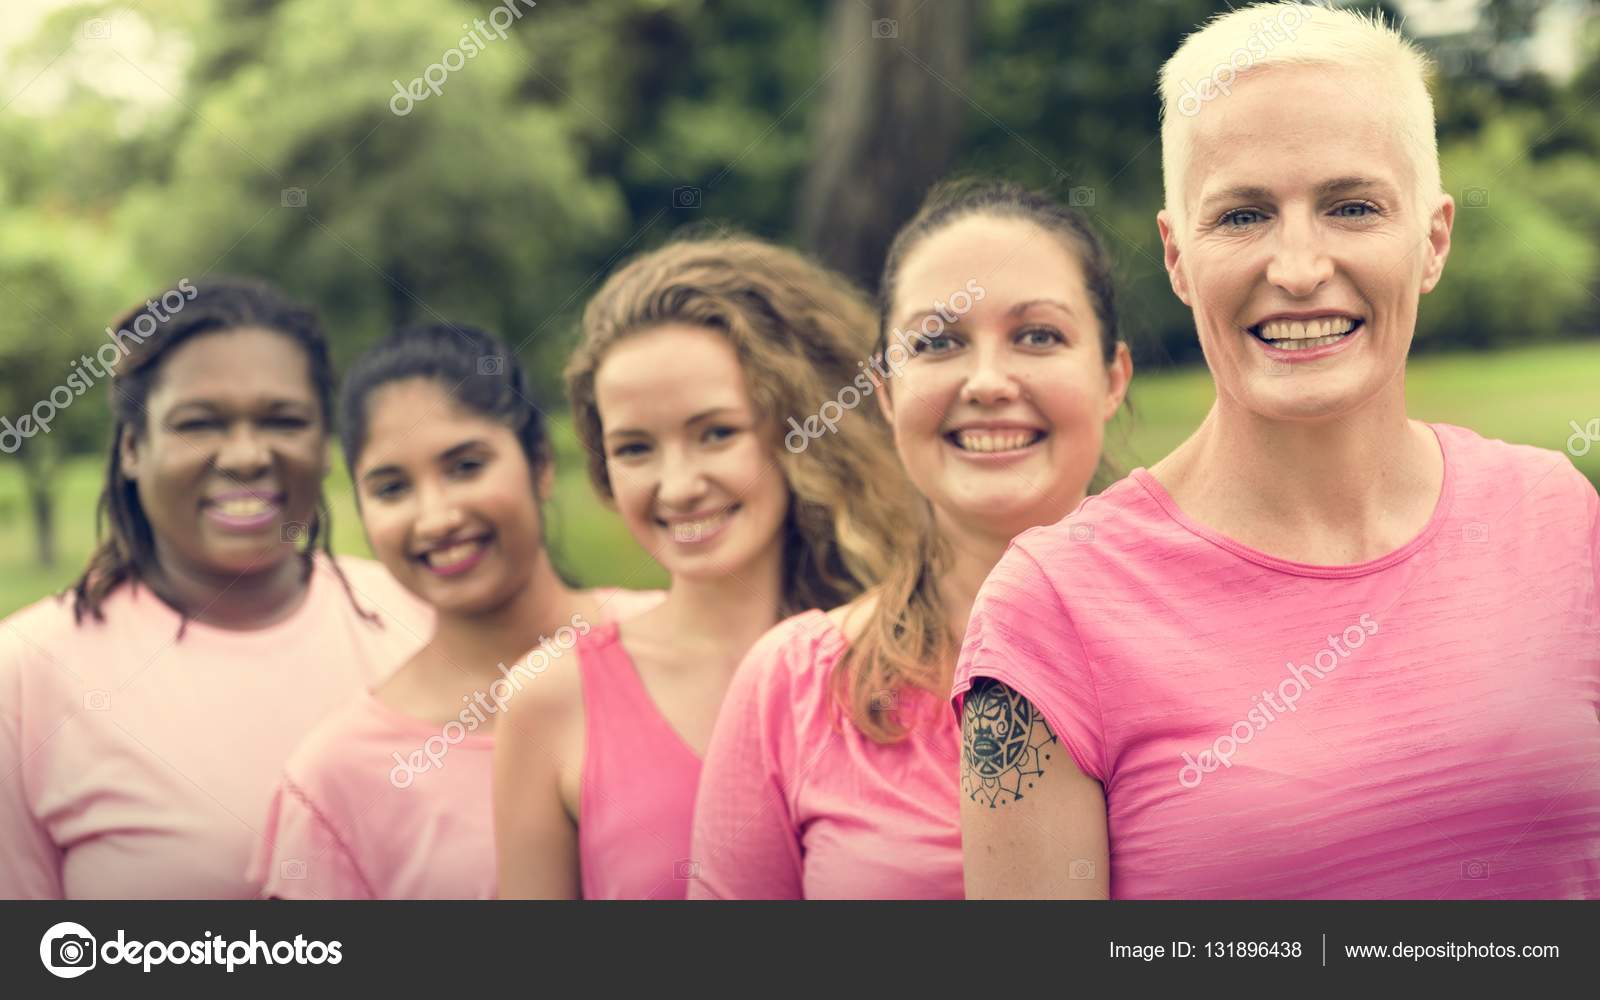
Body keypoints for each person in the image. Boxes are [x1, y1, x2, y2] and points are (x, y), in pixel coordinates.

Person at [957, 2, 1600, 899]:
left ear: (1434, 239)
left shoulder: (1560, 517)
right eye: (1244, 215)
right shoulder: (1051, 610)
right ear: (1178, 258)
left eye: (1352, 207)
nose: (1298, 268)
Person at [688, 180, 1132, 899]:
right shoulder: (795, 686)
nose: (988, 381)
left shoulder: (1214, 645)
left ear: (1112, 377)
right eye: (938, 341)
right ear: (888, 393)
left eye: (1038, 335)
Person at [494, 235, 911, 898]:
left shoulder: (910, 655)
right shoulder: (548, 702)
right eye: (635, 448)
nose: (679, 484)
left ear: (798, 430)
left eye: (716, 432)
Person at [0, 278, 431, 899]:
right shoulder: (26, 673)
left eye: (284, 420)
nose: (248, 456)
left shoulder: (426, 622)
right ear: (131, 449)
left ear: (325, 444)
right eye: (199, 423)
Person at [248, 323, 662, 899]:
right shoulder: (339, 779)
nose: (437, 517)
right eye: (392, 488)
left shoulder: (678, 643)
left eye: (466, 466)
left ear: (540, 465)